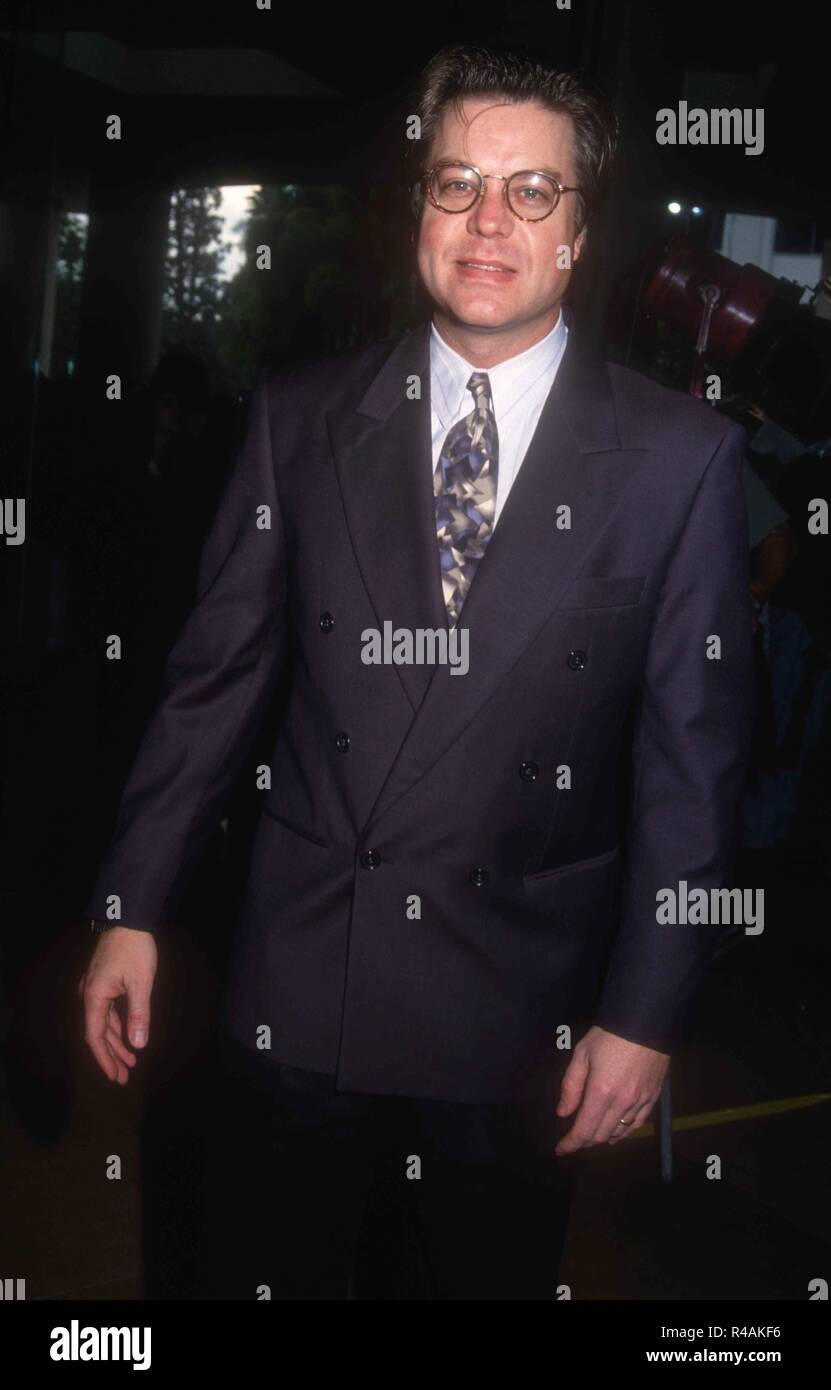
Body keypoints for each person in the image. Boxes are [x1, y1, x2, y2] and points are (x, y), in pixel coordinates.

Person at [78, 43, 755, 1299]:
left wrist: (648, 1009)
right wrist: (132, 901)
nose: (490, 220)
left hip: (516, 1017)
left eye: (531, 192)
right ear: (418, 214)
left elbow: (693, 776)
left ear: (578, 231)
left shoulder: (681, 461)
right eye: (457, 185)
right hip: (299, 994)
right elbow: (211, 683)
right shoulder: (300, 418)